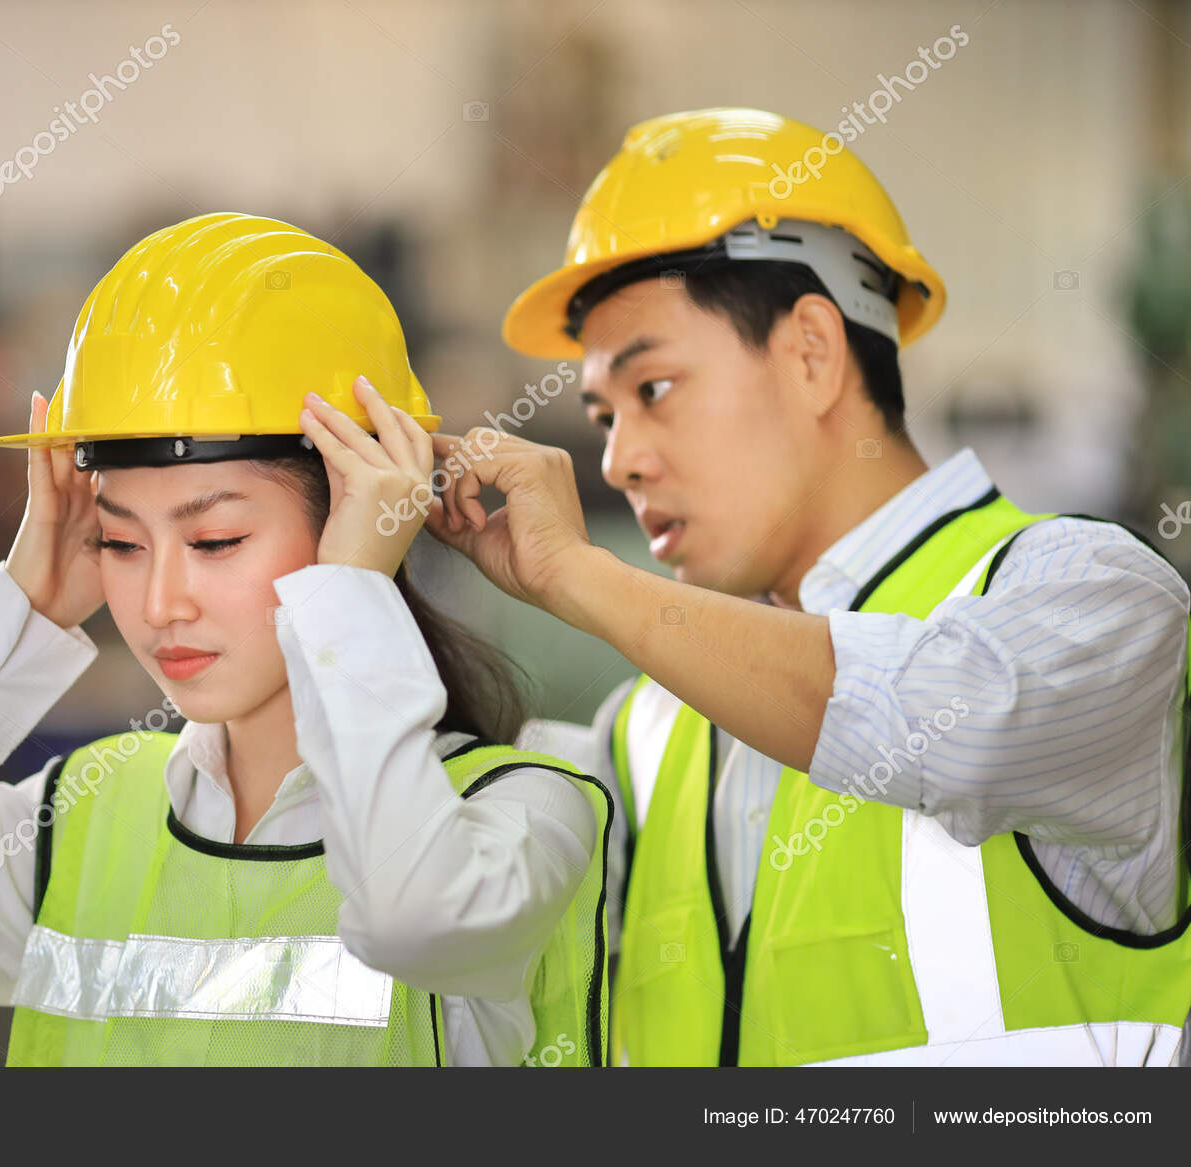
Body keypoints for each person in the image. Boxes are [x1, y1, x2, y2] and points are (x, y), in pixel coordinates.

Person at [0, 212, 612, 1067]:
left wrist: (350, 593)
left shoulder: (517, 813)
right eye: (120, 542)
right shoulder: (76, 825)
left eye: (215, 540)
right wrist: (20, 612)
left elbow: (414, 918)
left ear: (357, 513)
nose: (158, 603)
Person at [422, 109, 1191, 1066]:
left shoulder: (1092, 597)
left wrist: (582, 576)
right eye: (603, 416)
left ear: (813, 354)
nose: (617, 461)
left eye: (652, 389)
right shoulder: (642, 737)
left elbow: (944, 719)